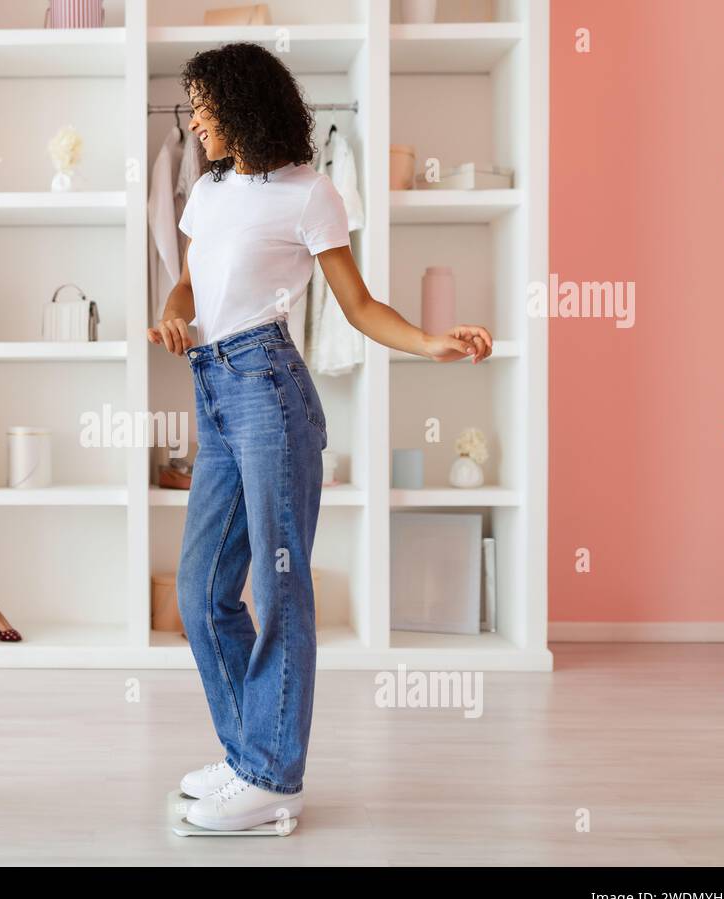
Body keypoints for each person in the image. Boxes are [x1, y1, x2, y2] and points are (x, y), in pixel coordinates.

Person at [150, 44, 492, 831]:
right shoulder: (206, 190)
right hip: (214, 390)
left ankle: (273, 779)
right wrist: (175, 314)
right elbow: (188, 281)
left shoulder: (310, 194)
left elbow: (361, 307)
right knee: (201, 595)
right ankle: (249, 758)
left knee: (278, 590)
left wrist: (434, 342)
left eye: (203, 104)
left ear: (241, 105)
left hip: (269, 390)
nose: (195, 119)